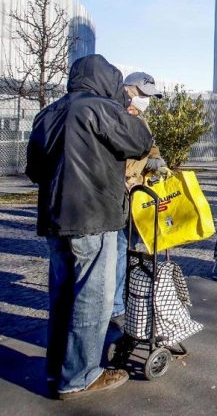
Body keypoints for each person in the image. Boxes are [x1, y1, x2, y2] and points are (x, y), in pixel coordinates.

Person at [26, 54, 154, 399]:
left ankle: (58, 371)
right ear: (108, 81)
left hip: (55, 218)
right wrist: (126, 109)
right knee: (91, 300)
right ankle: (81, 375)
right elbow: (140, 142)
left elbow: (34, 170)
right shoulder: (103, 109)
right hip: (93, 217)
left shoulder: (48, 112)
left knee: (63, 297)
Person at [112, 72, 165, 328]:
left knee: (130, 248)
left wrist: (156, 162)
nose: (145, 101)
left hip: (135, 196)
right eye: (143, 95)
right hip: (117, 193)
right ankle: (115, 308)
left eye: (149, 97)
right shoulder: (114, 115)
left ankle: (125, 300)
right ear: (128, 89)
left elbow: (150, 147)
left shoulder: (141, 121)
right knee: (119, 251)